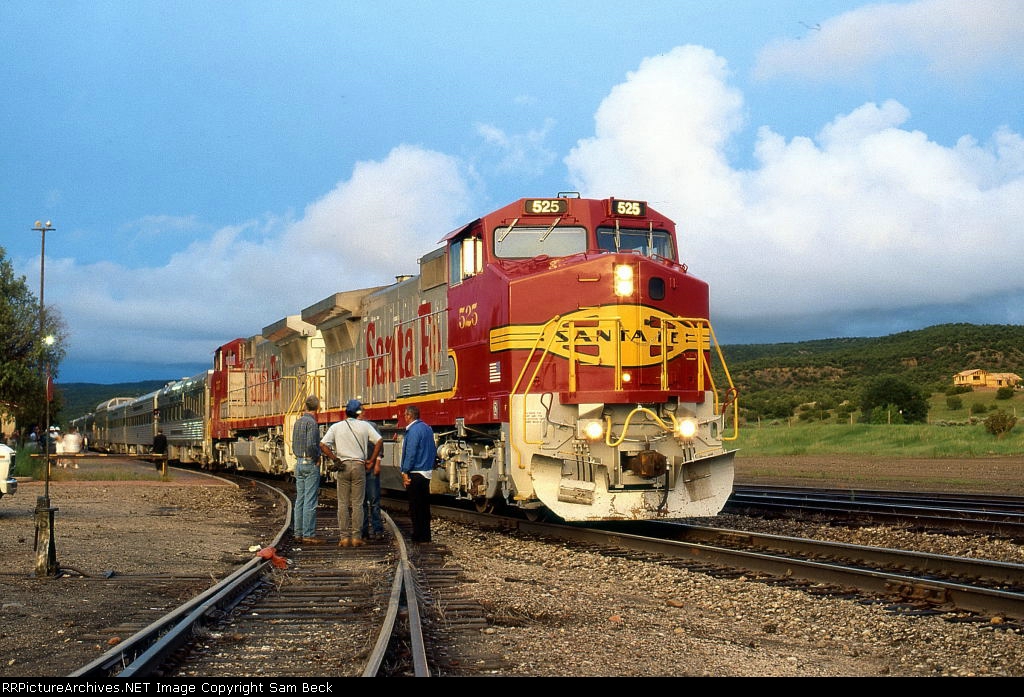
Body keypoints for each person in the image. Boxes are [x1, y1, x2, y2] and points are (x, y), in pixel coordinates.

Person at [320, 399, 382, 548]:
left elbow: (323, 445)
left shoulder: (336, 427)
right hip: (359, 466)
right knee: (358, 503)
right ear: (359, 413)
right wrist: (371, 460)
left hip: (343, 466)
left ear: (346, 412)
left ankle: (344, 537)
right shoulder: (365, 426)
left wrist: (335, 459)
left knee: (342, 503)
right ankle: (356, 537)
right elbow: (379, 441)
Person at [291, 395, 325, 545]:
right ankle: (308, 534)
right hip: (310, 463)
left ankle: (298, 533)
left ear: (306, 406)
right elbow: (312, 444)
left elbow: (293, 444)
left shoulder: (298, 422)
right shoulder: (312, 424)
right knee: (310, 500)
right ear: (317, 408)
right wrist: (317, 457)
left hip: (299, 462)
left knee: (300, 499)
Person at [400, 405, 435, 544]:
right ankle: (426, 536)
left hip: (415, 473)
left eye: (405, 415)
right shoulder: (427, 428)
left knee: (415, 507)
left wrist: (404, 471)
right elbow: (433, 449)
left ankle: (417, 536)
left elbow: (411, 453)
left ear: (409, 416)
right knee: (424, 507)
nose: (404, 417)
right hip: (426, 472)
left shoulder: (413, 431)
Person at [359, 410, 385, 542]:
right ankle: (364, 532)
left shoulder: (372, 427)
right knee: (361, 502)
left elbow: (380, 445)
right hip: (359, 469)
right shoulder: (354, 428)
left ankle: (377, 529)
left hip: (371, 466)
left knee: (374, 501)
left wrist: (377, 464)